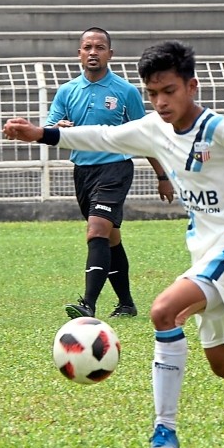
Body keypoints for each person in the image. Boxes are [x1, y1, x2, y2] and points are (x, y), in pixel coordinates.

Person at [4, 40, 224, 448]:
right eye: (153, 93)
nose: (161, 102)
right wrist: (41, 134)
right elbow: (101, 136)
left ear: (191, 86)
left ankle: (164, 430)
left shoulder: (220, 130)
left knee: (163, 311)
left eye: (169, 91)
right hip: (206, 255)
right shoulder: (153, 129)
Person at [49, 27, 173, 321]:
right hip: (83, 172)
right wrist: (59, 130)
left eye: (99, 47)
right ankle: (127, 303)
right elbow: (49, 129)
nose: (93, 52)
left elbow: (145, 137)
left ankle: (87, 304)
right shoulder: (67, 91)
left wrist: (162, 176)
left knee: (96, 231)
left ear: (110, 54)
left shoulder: (125, 91)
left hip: (115, 169)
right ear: (79, 53)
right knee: (110, 238)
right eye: (88, 47)